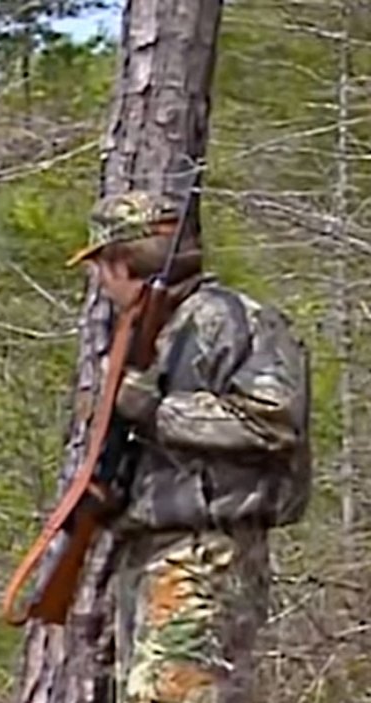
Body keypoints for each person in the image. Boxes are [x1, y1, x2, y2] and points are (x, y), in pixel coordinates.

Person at [66, 191, 312, 703]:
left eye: (101, 266)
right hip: (148, 553)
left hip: (205, 555)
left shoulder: (230, 319)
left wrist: (157, 412)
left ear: (120, 262)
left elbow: (273, 422)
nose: (100, 283)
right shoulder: (146, 331)